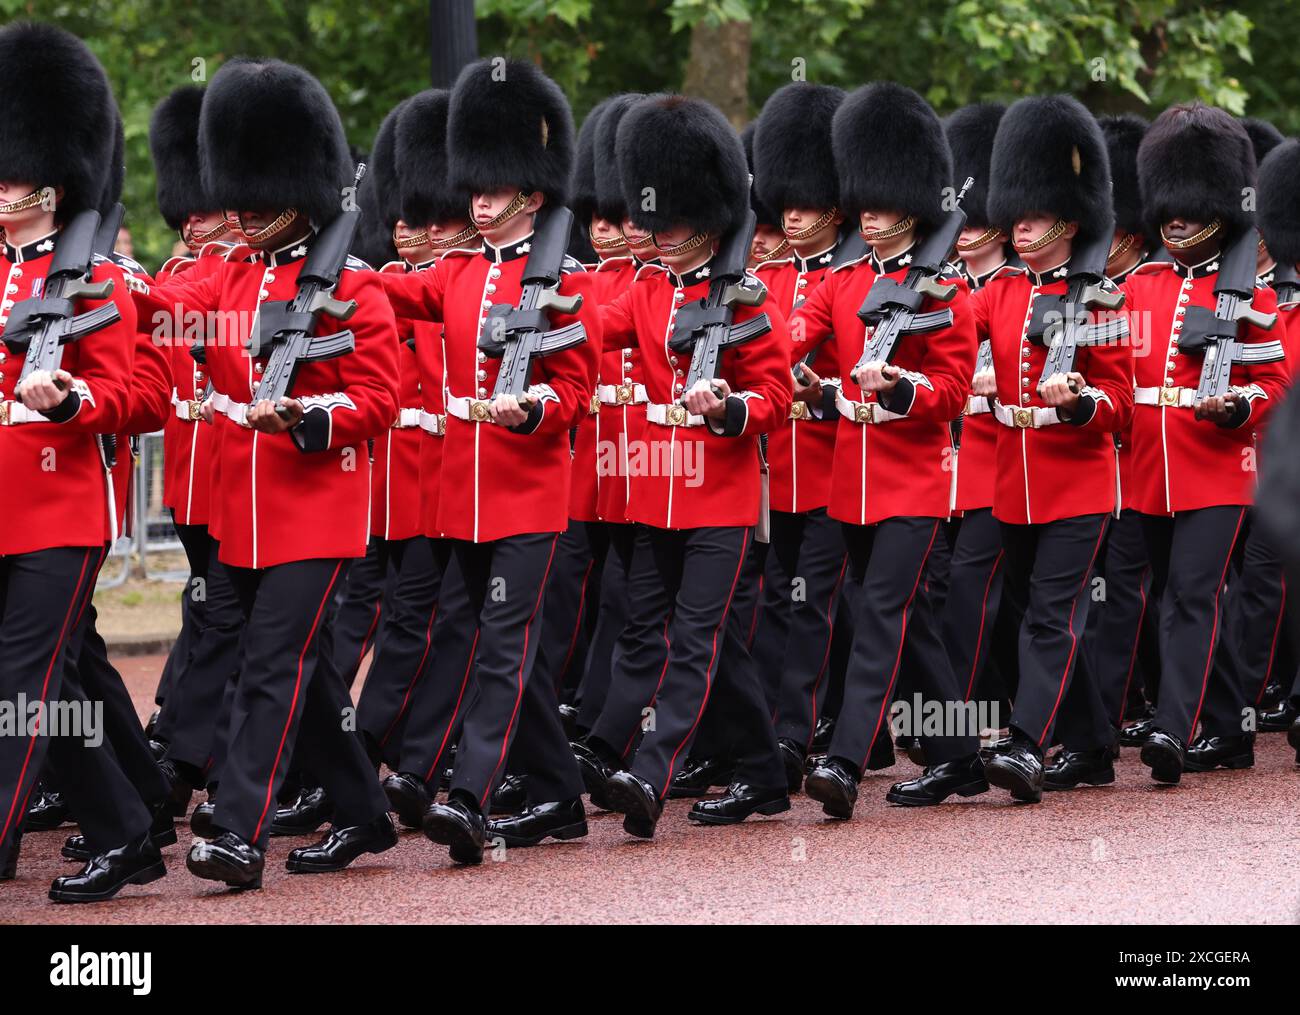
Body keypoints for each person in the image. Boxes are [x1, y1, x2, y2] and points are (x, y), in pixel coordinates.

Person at [140, 57, 401, 887]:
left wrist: (312, 419)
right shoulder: (227, 276)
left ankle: (240, 831)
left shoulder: (354, 287)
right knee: (310, 674)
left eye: (259, 192)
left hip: (317, 510)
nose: (243, 210)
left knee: (268, 662)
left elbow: (380, 397)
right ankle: (364, 810)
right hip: (240, 510)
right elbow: (164, 316)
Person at [377, 58, 601, 865]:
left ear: (532, 195)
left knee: (503, 646)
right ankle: (558, 795)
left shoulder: (562, 283)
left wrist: (534, 407)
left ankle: (469, 792)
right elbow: (389, 293)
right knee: (500, 647)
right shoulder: (459, 272)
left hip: (530, 493)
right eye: (476, 184)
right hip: (463, 495)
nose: (478, 199)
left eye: (497, 188)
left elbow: (575, 389)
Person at [787, 82, 988, 817]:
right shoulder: (842, 282)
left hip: (913, 479)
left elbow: (951, 392)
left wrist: (900, 386)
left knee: (878, 613)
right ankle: (963, 754)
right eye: (861, 199)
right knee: (914, 624)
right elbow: (794, 332)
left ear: (910, 202)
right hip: (853, 481)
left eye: (879, 200)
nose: (866, 211)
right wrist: (779, 367)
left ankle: (843, 759)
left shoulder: (948, 295)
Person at [0, 21, 164, 902]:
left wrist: (71, 402)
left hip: (62, 510)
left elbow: (141, 397)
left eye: (13, 168)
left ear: (54, 181)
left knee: (21, 682)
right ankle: (126, 828)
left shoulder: (95, 281)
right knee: (50, 685)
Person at [1120, 103, 1288, 785]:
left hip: (1218, 468)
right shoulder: (1142, 285)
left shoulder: (1250, 294)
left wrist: (1237, 405)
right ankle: (1228, 728)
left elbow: (1274, 384)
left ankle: (1172, 725)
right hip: (1150, 469)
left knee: (1193, 594)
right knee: (1176, 592)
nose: (1177, 219)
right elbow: (1118, 368)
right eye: (1171, 206)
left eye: (1191, 206)